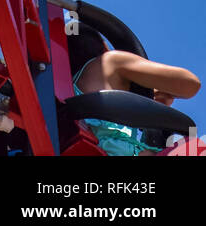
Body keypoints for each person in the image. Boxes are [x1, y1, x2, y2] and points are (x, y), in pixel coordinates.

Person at [68, 26, 202, 157]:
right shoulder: (109, 61)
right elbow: (190, 84)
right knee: (196, 147)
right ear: (102, 46)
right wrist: (157, 88)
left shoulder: (69, 90)